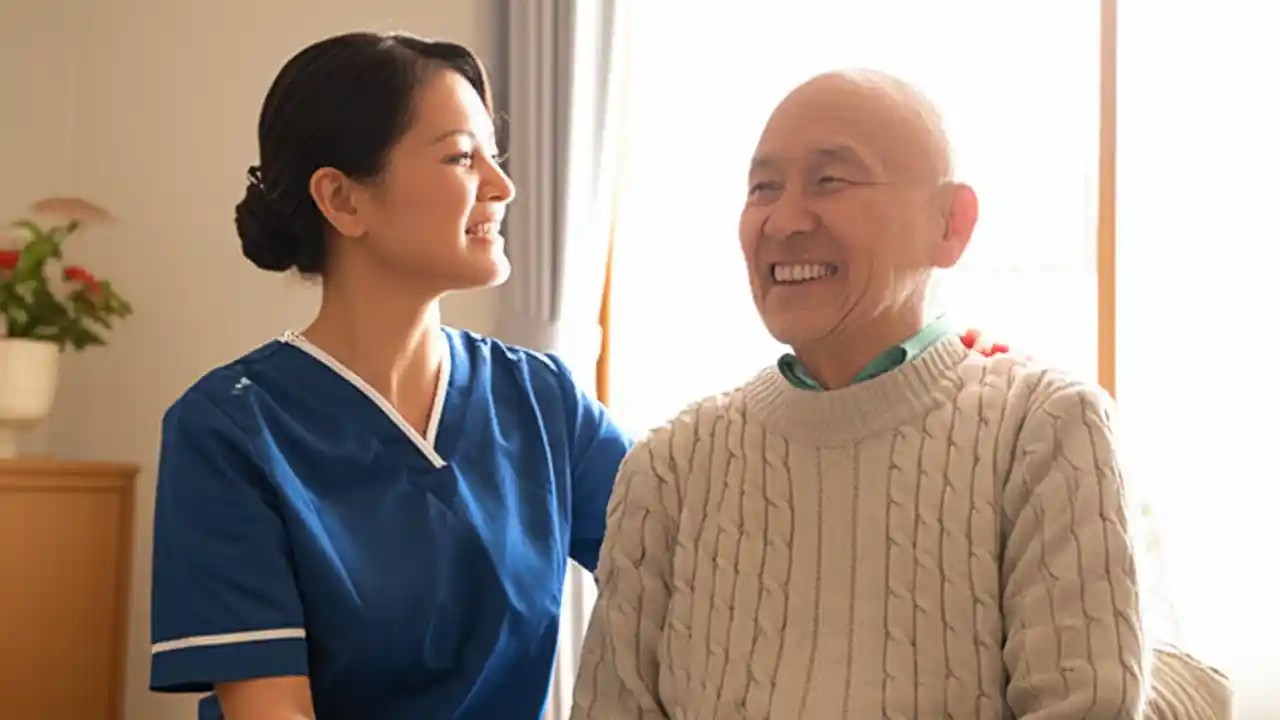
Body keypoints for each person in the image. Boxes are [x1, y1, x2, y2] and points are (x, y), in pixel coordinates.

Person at [571, 69, 1152, 719]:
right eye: (763, 187)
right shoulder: (667, 466)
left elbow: (1084, 703)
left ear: (950, 225)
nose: (785, 221)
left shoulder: (1043, 428)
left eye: (831, 181)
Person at [148, 32, 630, 720]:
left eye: (496, 156)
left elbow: (696, 570)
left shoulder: (542, 400)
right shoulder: (227, 431)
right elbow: (271, 711)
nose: (503, 186)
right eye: (463, 157)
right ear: (343, 199)